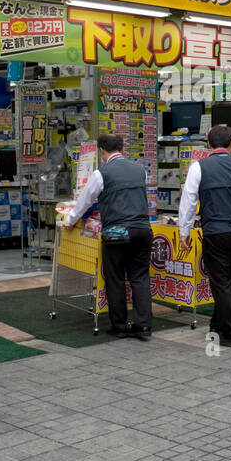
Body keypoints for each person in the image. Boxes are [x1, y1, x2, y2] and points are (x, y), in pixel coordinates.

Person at [178, 125, 231, 349]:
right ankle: (218, 325)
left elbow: (189, 201)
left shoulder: (199, 168)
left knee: (220, 282)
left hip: (216, 232)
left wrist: (184, 230)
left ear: (208, 145)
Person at [63, 133, 153, 339]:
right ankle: (144, 326)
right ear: (122, 148)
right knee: (140, 278)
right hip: (142, 229)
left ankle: (119, 326)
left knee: (116, 278)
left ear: (102, 150)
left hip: (116, 231)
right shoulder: (140, 170)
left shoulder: (101, 173)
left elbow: (85, 201)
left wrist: (70, 221)